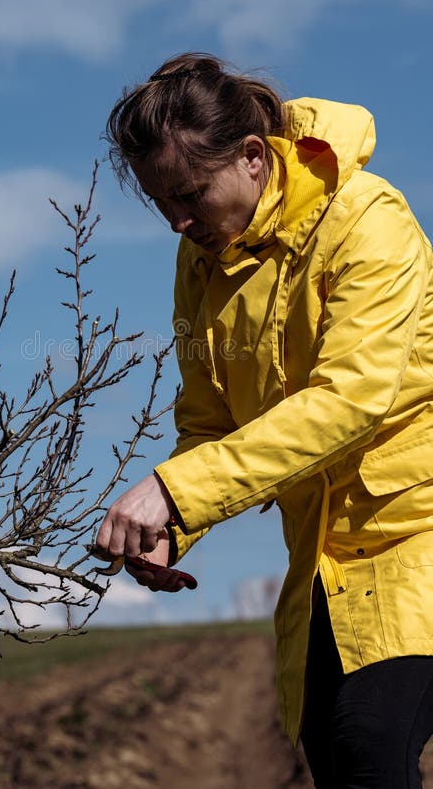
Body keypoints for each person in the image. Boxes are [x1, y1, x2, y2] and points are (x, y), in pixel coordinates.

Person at [96, 52, 433, 788]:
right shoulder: (200, 264)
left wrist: (176, 491)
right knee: (335, 759)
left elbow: (348, 400)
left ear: (252, 157)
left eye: (189, 193)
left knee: (371, 745)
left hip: (416, 539)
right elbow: (207, 426)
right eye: (161, 203)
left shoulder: (366, 220)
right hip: (318, 564)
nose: (178, 221)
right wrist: (171, 527)